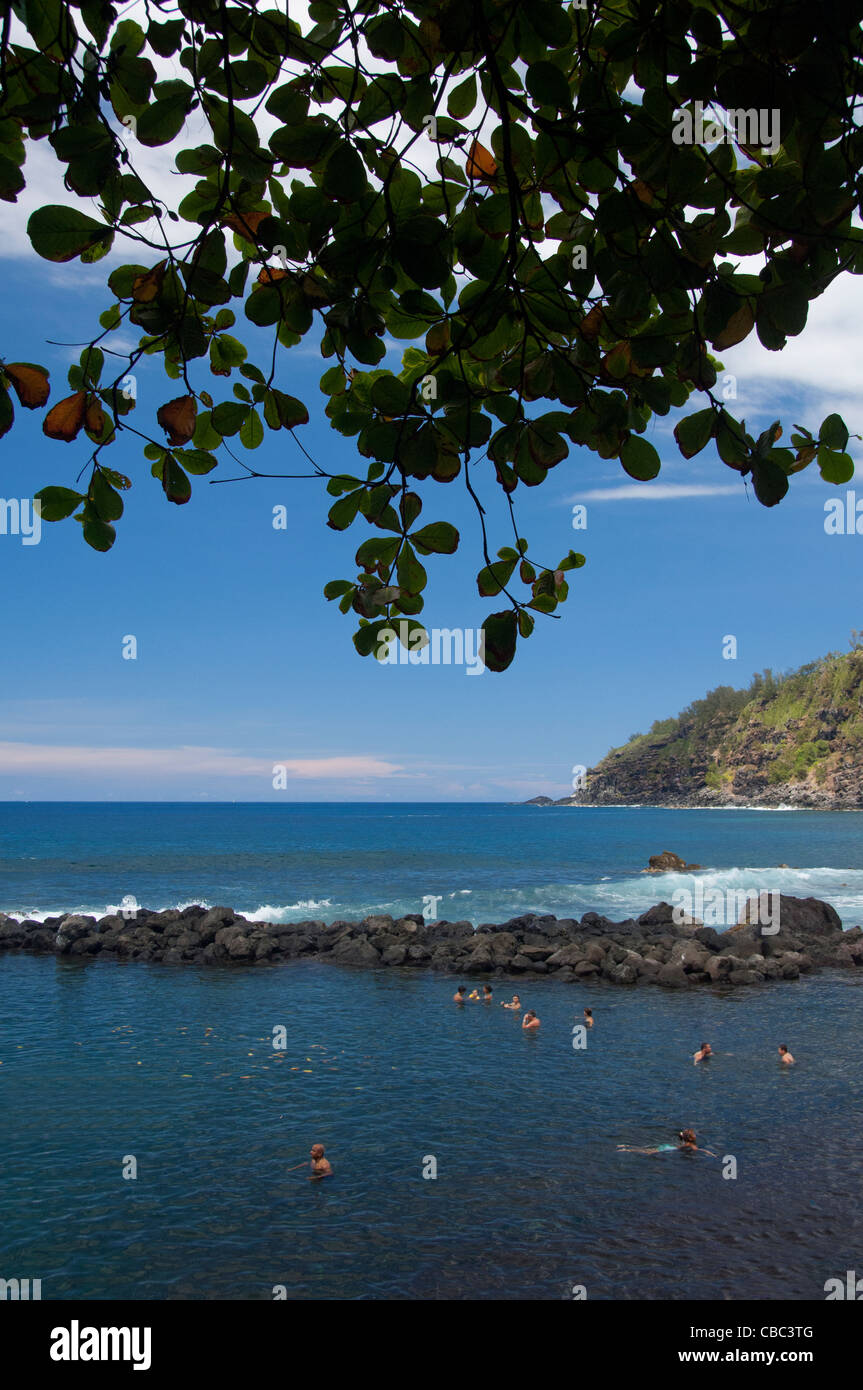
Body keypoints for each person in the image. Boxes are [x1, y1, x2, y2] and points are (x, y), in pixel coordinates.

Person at [617, 1128, 716, 1157]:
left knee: (645, 1149)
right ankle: (626, 1149)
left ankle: (626, 1146)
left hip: (667, 1146)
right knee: (646, 1152)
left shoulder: (683, 1141)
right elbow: (700, 1150)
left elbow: (681, 1135)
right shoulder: (691, 1144)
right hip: (667, 1148)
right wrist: (709, 1153)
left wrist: (682, 1134)